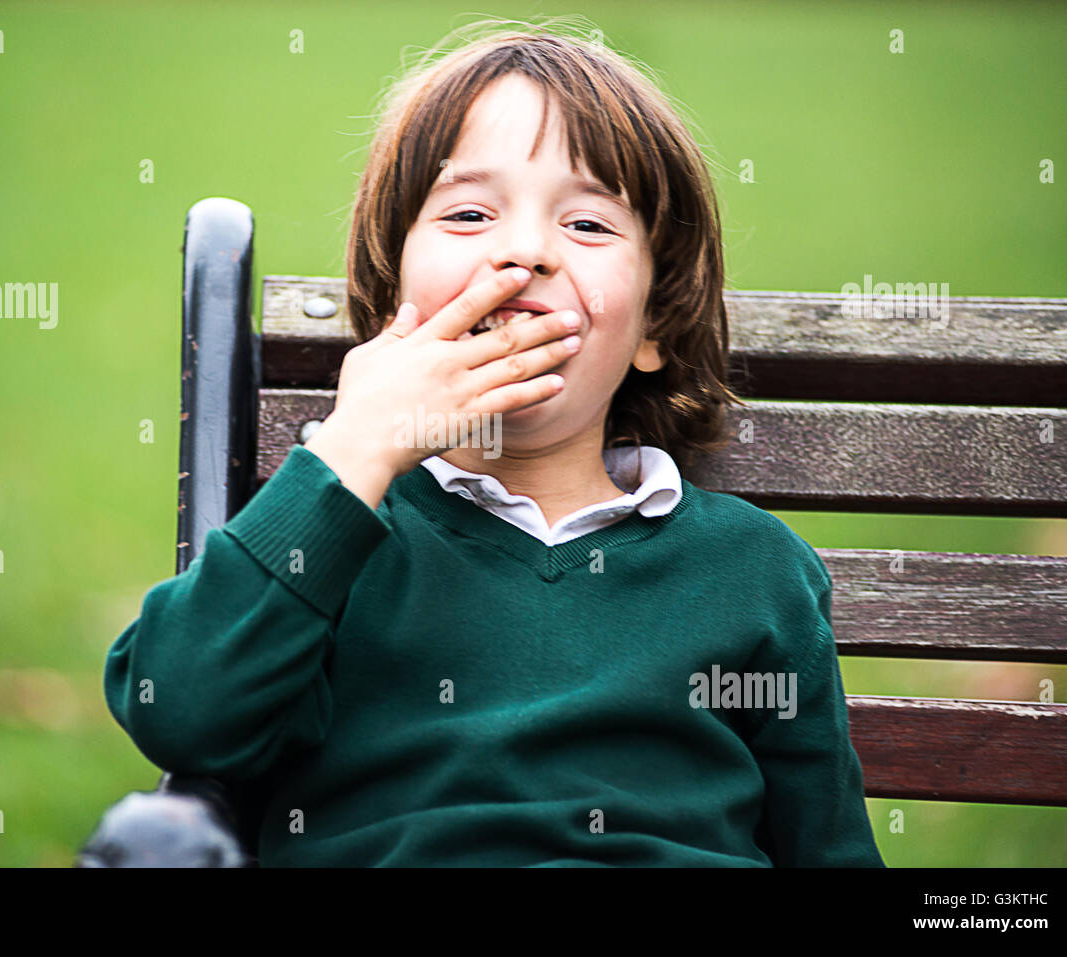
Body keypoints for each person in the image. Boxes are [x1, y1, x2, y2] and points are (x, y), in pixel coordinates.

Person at [104, 20, 885, 867]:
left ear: (655, 324)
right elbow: (177, 705)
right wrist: (356, 447)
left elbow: (831, 850)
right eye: (470, 213)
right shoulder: (329, 544)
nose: (524, 251)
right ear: (393, 293)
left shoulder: (754, 573)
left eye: (588, 225)